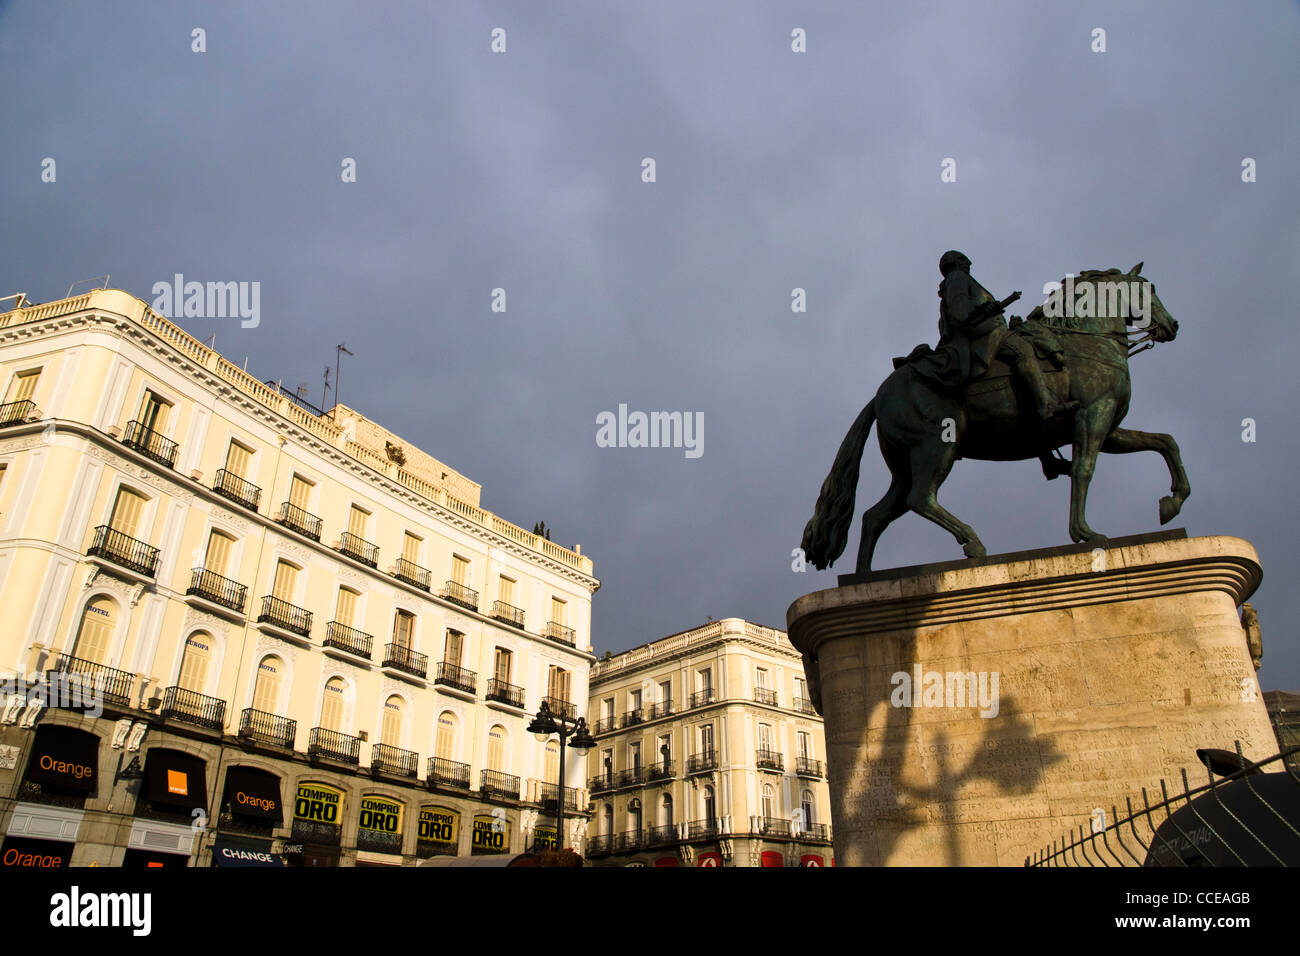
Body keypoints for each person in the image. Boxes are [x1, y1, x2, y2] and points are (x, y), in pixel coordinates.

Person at [935, 250, 1077, 420]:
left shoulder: (957, 280)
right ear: (955, 262)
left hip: (986, 330)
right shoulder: (957, 277)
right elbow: (959, 306)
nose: (969, 263)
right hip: (984, 334)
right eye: (963, 259)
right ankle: (1046, 405)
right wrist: (982, 309)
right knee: (1022, 350)